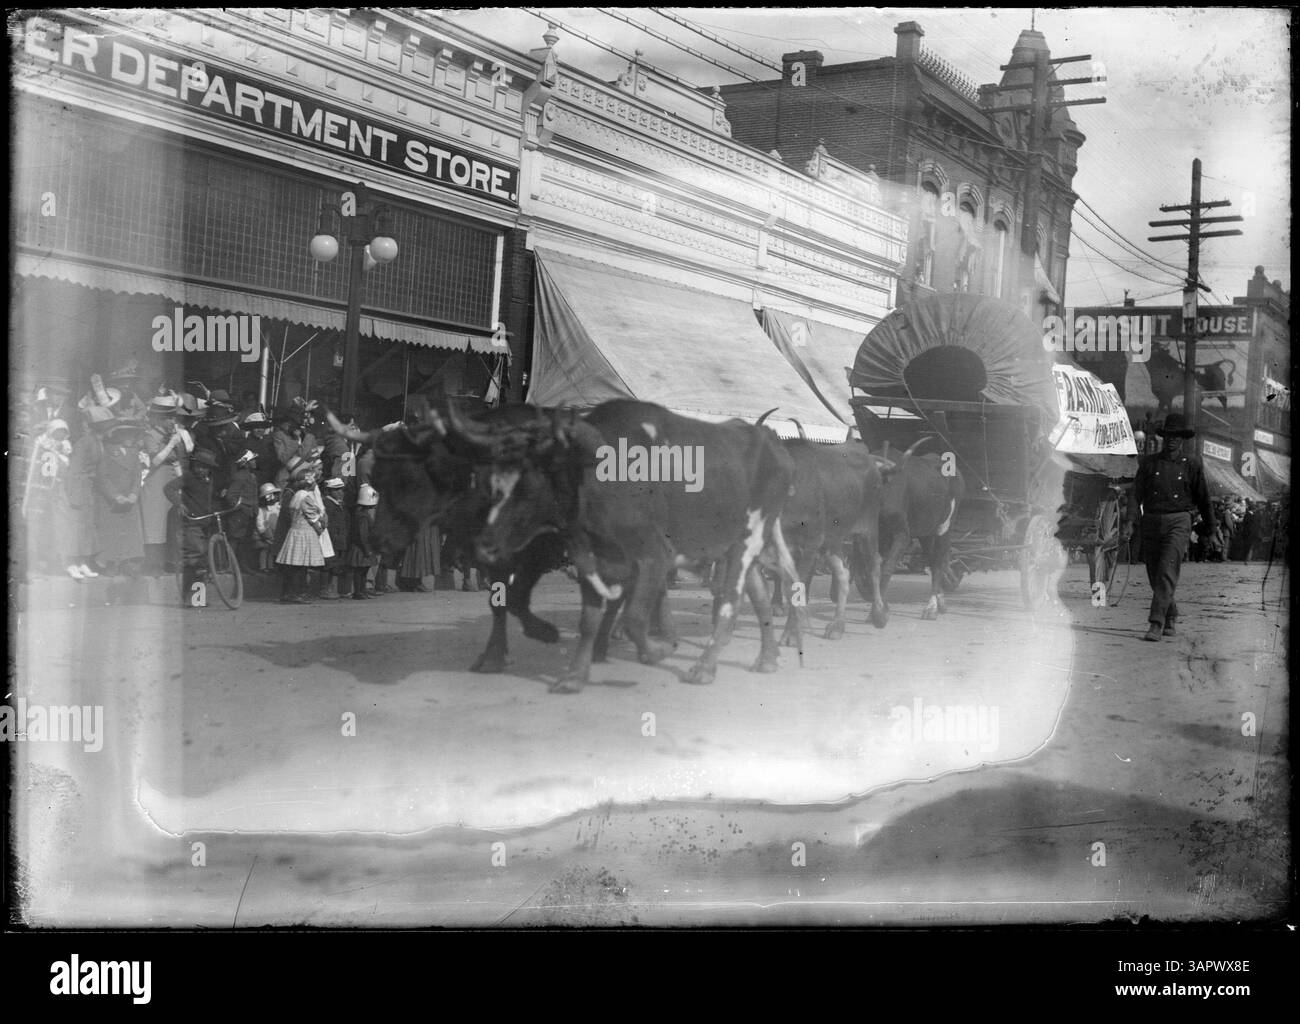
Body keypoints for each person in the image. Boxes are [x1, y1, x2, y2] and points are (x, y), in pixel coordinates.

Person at [1121, 413, 1219, 642]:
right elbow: (1136, 494)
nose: (1173, 440)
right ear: (1164, 437)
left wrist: (1212, 530)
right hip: (1152, 521)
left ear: (1183, 439)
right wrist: (1130, 522)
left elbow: (1204, 499)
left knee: (1166, 570)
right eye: (1169, 436)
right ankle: (1171, 611)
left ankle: (1156, 622)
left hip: (1179, 521)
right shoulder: (1149, 463)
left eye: (1178, 437)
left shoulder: (1192, 464)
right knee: (1155, 575)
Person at [93, 418, 148, 575]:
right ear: (119, 436)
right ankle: (108, 563)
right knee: (111, 532)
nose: (132, 439)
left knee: (130, 532)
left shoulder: (133, 452)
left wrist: (133, 493)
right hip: (111, 501)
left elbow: (137, 475)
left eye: (133, 435)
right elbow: (102, 477)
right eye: (128, 435)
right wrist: (115, 496)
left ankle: (127, 562)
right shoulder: (107, 451)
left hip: (129, 499)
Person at [165, 449, 218, 598]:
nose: (201, 470)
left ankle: (197, 599)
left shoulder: (209, 480)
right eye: (199, 466)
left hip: (206, 521)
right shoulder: (188, 478)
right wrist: (179, 503)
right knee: (195, 557)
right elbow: (168, 488)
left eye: (205, 467)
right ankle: (188, 596)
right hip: (192, 522)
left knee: (202, 560)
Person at [22, 417, 72, 576]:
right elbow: (43, 473)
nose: (60, 436)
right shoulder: (44, 449)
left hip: (58, 495)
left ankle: (54, 560)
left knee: (56, 528)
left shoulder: (65, 451)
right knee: (37, 527)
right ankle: (34, 560)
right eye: (57, 433)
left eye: (63, 433)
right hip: (42, 495)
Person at [276, 464, 328, 604]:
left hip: (296, 532)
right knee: (300, 566)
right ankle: (297, 593)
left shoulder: (297, 495)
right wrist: (322, 525)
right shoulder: (305, 497)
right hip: (304, 533)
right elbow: (315, 518)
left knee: (295, 565)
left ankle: (292, 593)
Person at [223, 449, 262, 573]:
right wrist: (240, 507)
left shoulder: (252, 476)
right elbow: (231, 496)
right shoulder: (240, 476)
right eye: (252, 460)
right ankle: (229, 566)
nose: (255, 462)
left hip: (249, 513)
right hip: (240, 514)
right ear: (245, 462)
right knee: (235, 538)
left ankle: (243, 566)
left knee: (245, 541)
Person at [320, 477, 351, 599]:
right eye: (336, 490)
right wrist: (336, 537)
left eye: (341, 489)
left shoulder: (339, 504)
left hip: (340, 540)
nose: (340, 492)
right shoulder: (328, 504)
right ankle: (326, 589)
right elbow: (331, 525)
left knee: (337, 566)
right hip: (332, 541)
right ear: (328, 491)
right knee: (328, 566)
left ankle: (335, 588)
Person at [348, 484, 380, 599]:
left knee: (362, 571)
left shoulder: (360, 514)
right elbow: (363, 535)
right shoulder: (363, 517)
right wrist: (368, 550)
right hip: (362, 548)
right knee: (360, 571)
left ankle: (361, 590)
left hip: (361, 547)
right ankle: (359, 592)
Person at [254, 482, 283, 572]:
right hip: (266, 534)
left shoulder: (278, 507)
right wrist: (264, 534)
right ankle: (263, 566)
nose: (271, 498)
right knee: (265, 550)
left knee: (273, 551)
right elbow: (260, 524)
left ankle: (271, 566)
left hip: (277, 533)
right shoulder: (261, 510)